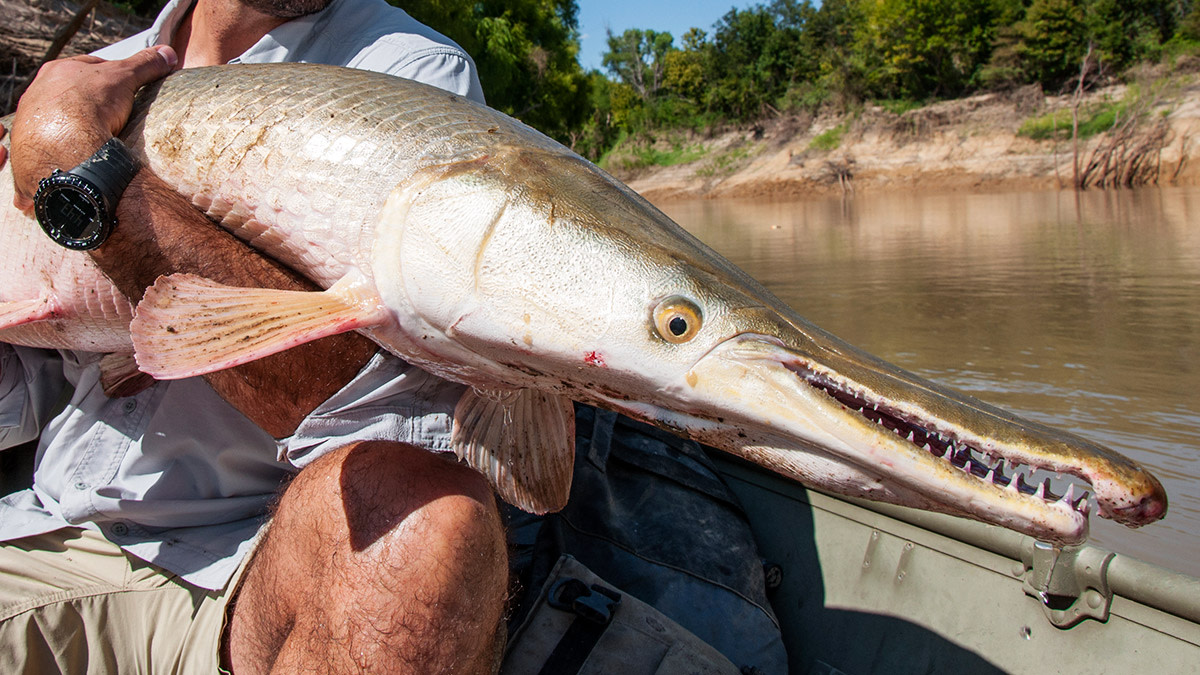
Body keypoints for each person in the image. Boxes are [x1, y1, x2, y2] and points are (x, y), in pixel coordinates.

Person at [0, 0, 508, 672]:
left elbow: (376, 411)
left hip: (250, 568)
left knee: (423, 527)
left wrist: (83, 181)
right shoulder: (93, 73)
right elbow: (24, 398)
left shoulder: (408, 69)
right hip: (45, 530)